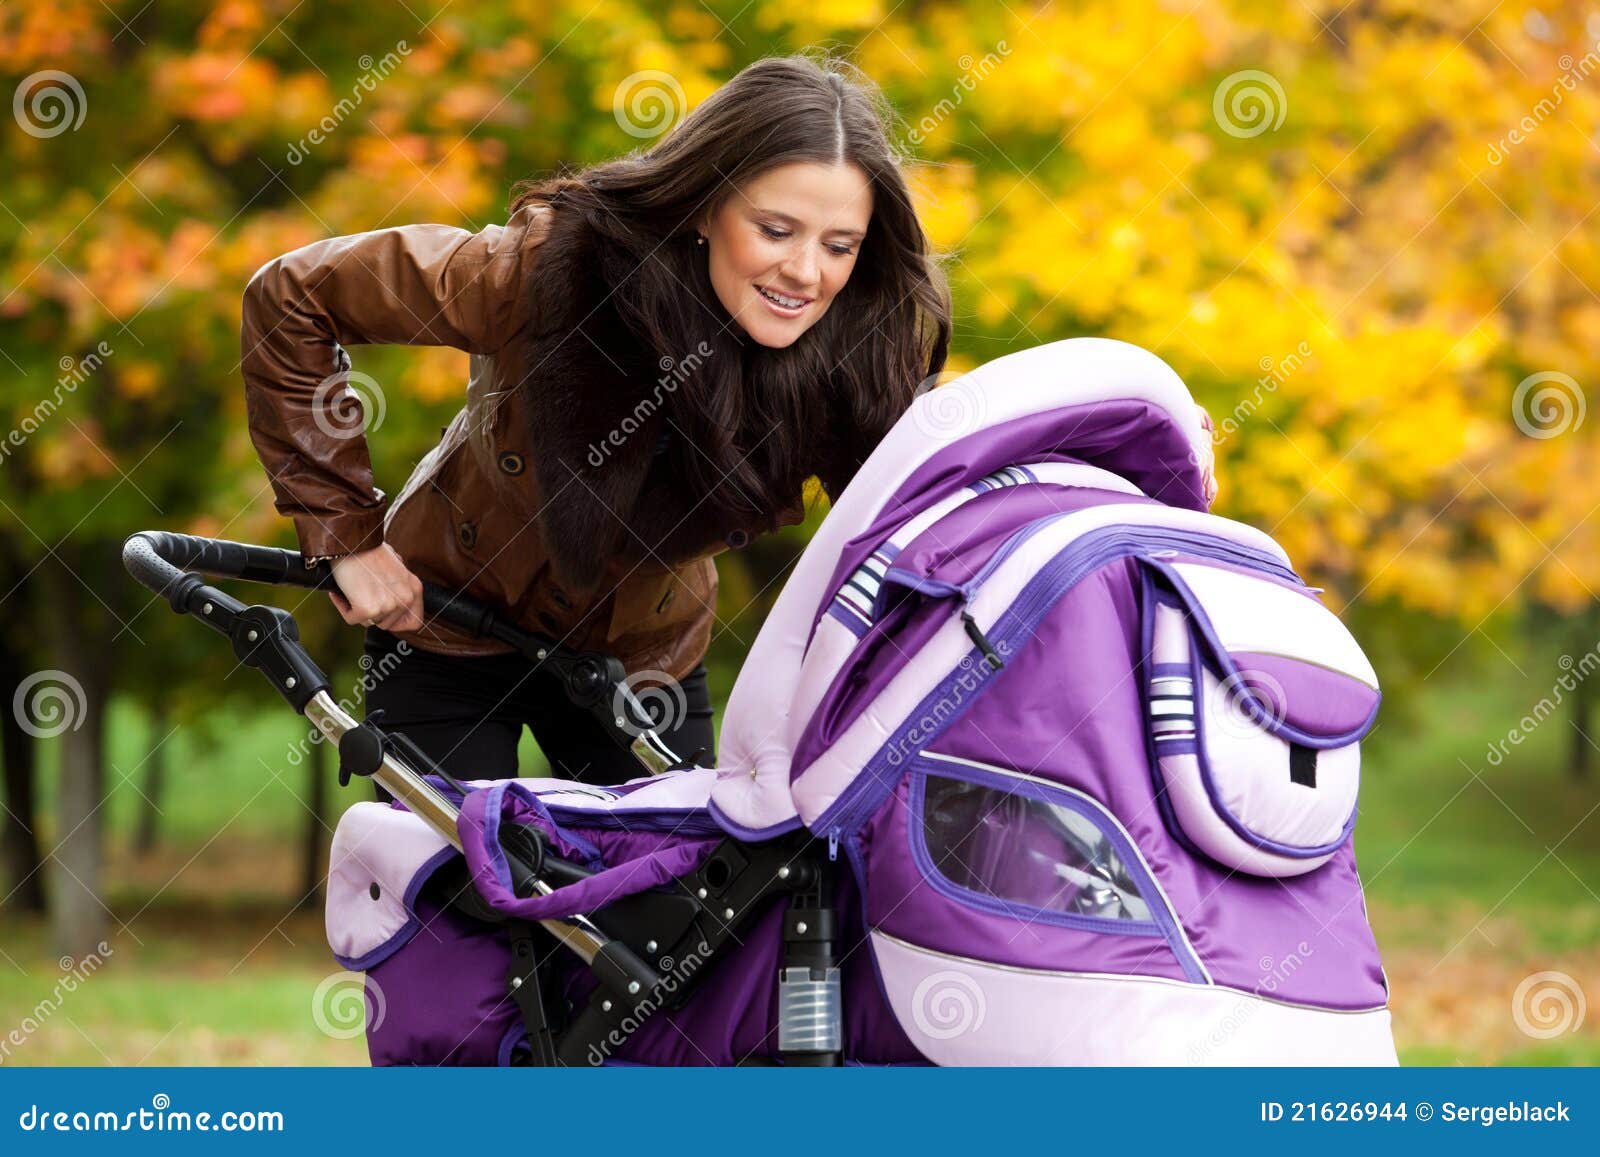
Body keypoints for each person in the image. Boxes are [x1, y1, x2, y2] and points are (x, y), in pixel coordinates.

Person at [238, 53, 955, 785]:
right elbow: (291, 299)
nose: (807, 273)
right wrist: (347, 537)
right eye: (775, 230)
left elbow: (913, 523)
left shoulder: (858, 346)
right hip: (444, 621)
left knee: (673, 891)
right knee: (459, 884)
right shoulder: (544, 269)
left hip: (646, 655)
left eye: (840, 246)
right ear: (707, 206)